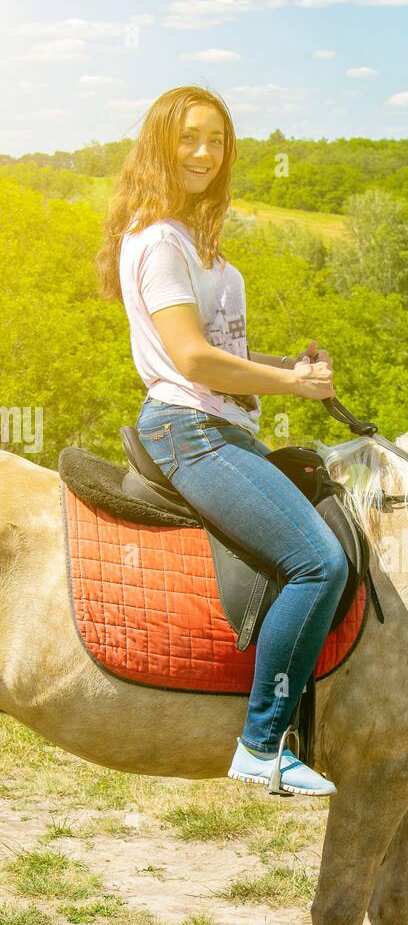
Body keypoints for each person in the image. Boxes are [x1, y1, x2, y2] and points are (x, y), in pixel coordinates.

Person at [97, 85, 349, 796]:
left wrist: (285, 369)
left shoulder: (196, 240)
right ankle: (261, 743)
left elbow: (221, 354)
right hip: (189, 430)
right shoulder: (158, 242)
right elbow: (193, 361)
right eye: (189, 139)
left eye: (216, 139)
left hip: (218, 424)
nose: (204, 152)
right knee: (317, 562)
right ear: (160, 146)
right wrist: (290, 389)